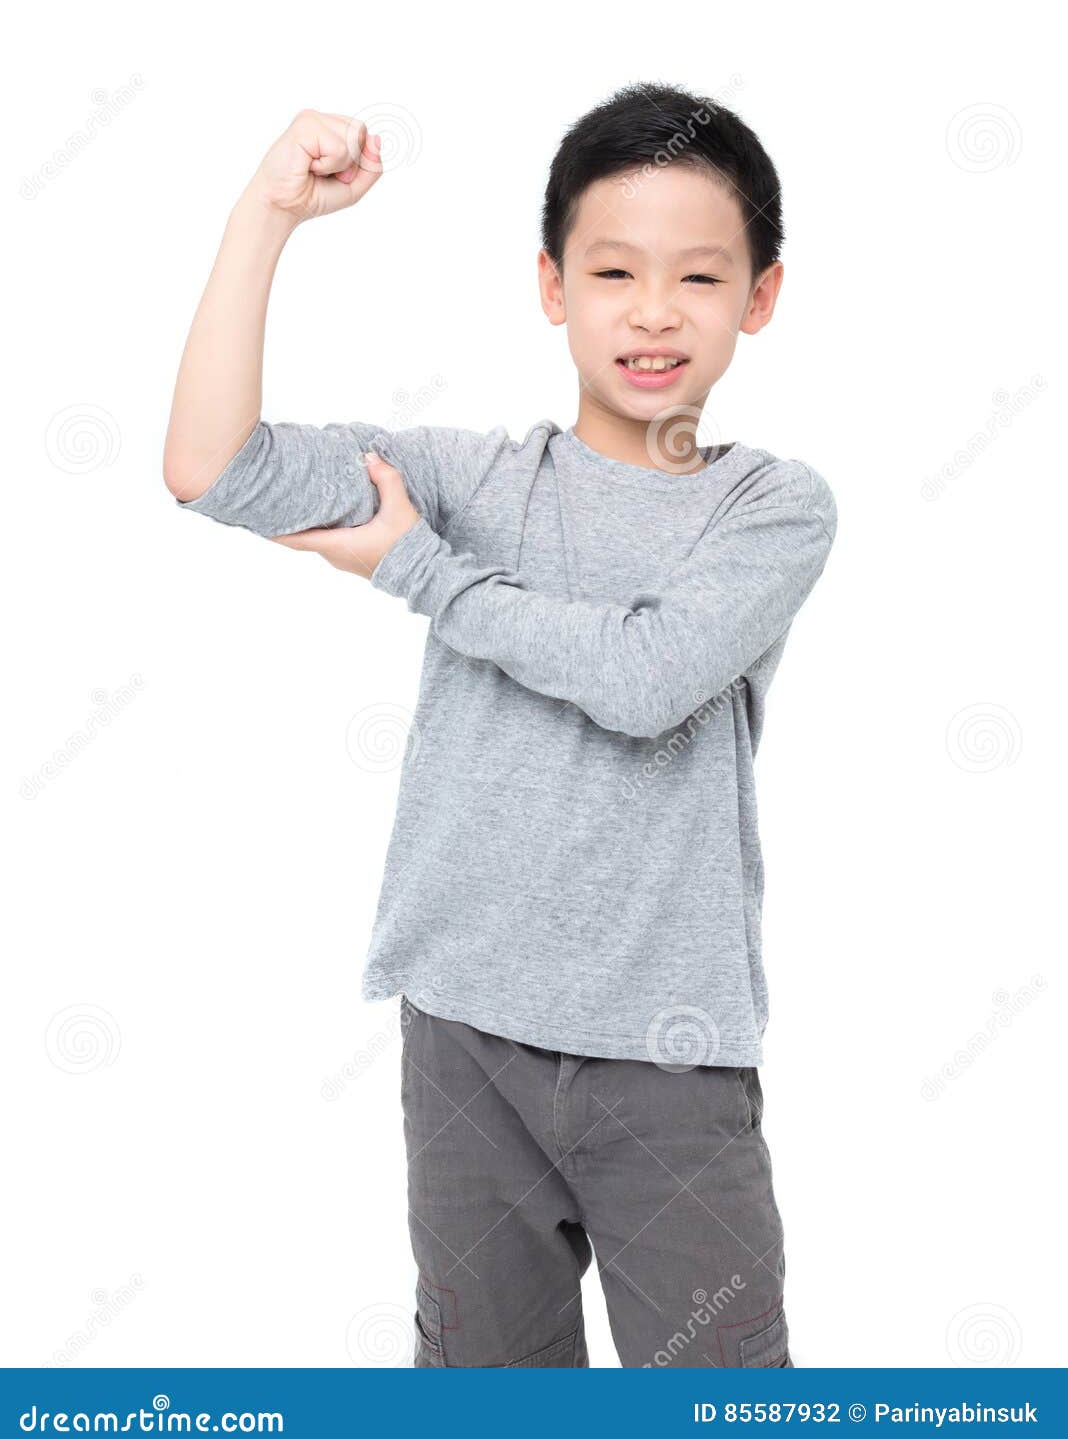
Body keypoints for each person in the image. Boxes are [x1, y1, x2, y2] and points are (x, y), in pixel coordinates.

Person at [163, 84, 837, 1368]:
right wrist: (268, 218)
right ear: (552, 284)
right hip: (465, 1037)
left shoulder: (771, 507)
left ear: (759, 296)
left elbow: (647, 678)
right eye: (613, 270)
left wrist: (418, 569)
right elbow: (215, 468)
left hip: (669, 1058)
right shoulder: (471, 479)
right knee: (482, 1407)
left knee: (727, 1412)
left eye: (699, 276)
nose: (652, 311)